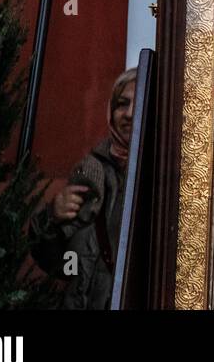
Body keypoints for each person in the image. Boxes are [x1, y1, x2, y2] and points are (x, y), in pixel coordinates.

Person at [29, 68, 135, 309]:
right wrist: (52, 217)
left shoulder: (171, 179)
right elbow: (57, 265)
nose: (129, 113)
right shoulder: (90, 172)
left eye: (139, 104)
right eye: (122, 104)